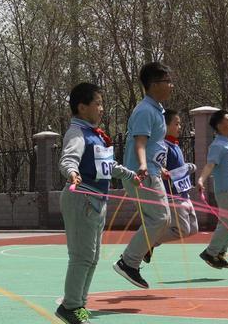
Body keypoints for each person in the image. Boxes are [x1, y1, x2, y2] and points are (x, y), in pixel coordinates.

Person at [56, 83, 137, 324]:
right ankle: (70, 307)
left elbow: (107, 166)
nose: (102, 108)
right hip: (81, 198)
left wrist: (129, 175)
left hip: (97, 201)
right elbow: (68, 158)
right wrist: (71, 172)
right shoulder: (77, 133)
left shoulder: (95, 135)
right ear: (82, 107)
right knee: (81, 257)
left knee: (91, 258)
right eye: (98, 103)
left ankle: (79, 306)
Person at [114, 61, 174, 289]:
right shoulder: (144, 111)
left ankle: (142, 250)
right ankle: (129, 262)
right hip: (142, 175)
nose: (171, 86)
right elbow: (140, 142)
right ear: (153, 84)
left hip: (152, 172)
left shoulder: (156, 110)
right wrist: (142, 165)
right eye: (167, 81)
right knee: (160, 219)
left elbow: (154, 145)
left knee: (159, 219)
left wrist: (160, 168)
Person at [143, 109, 198, 264]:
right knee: (181, 230)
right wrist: (162, 171)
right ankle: (147, 242)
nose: (180, 127)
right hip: (173, 196)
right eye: (176, 123)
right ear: (164, 126)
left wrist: (188, 167)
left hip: (184, 194)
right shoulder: (164, 146)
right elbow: (156, 166)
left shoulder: (176, 146)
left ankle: (150, 242)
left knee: (193, 229)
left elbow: (178, 168)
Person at [197, 110, 228, 269]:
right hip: (226, 188)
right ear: (219, 125)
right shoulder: (217, 145)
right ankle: (210, 252)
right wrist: (201, 179)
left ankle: (220, 252)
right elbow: (210, 164)